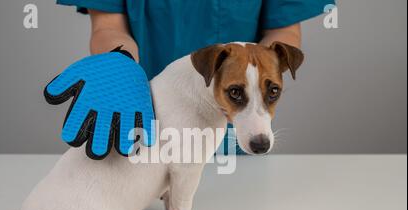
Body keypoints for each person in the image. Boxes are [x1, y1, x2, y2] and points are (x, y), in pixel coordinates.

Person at [57, 0, 333, 154]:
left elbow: (285, 30)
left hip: (232, 141)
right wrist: (118, 66)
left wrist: (267, 63)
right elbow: (107, 26)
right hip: (147, 130)